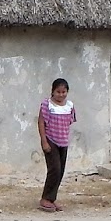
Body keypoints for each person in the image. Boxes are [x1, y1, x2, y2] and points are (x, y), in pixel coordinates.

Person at [37, 78, 76, 212]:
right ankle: (45, 199)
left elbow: (69, 122)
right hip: (50, 141)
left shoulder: (69, 106)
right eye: (58, 92)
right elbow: (41, 122)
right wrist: (44, 141)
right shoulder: (47, 105)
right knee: (55, 170)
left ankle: (52, 198)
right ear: (52, 92)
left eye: (64, 92)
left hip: (63, 142)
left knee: (61, 172)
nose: (61, 94)